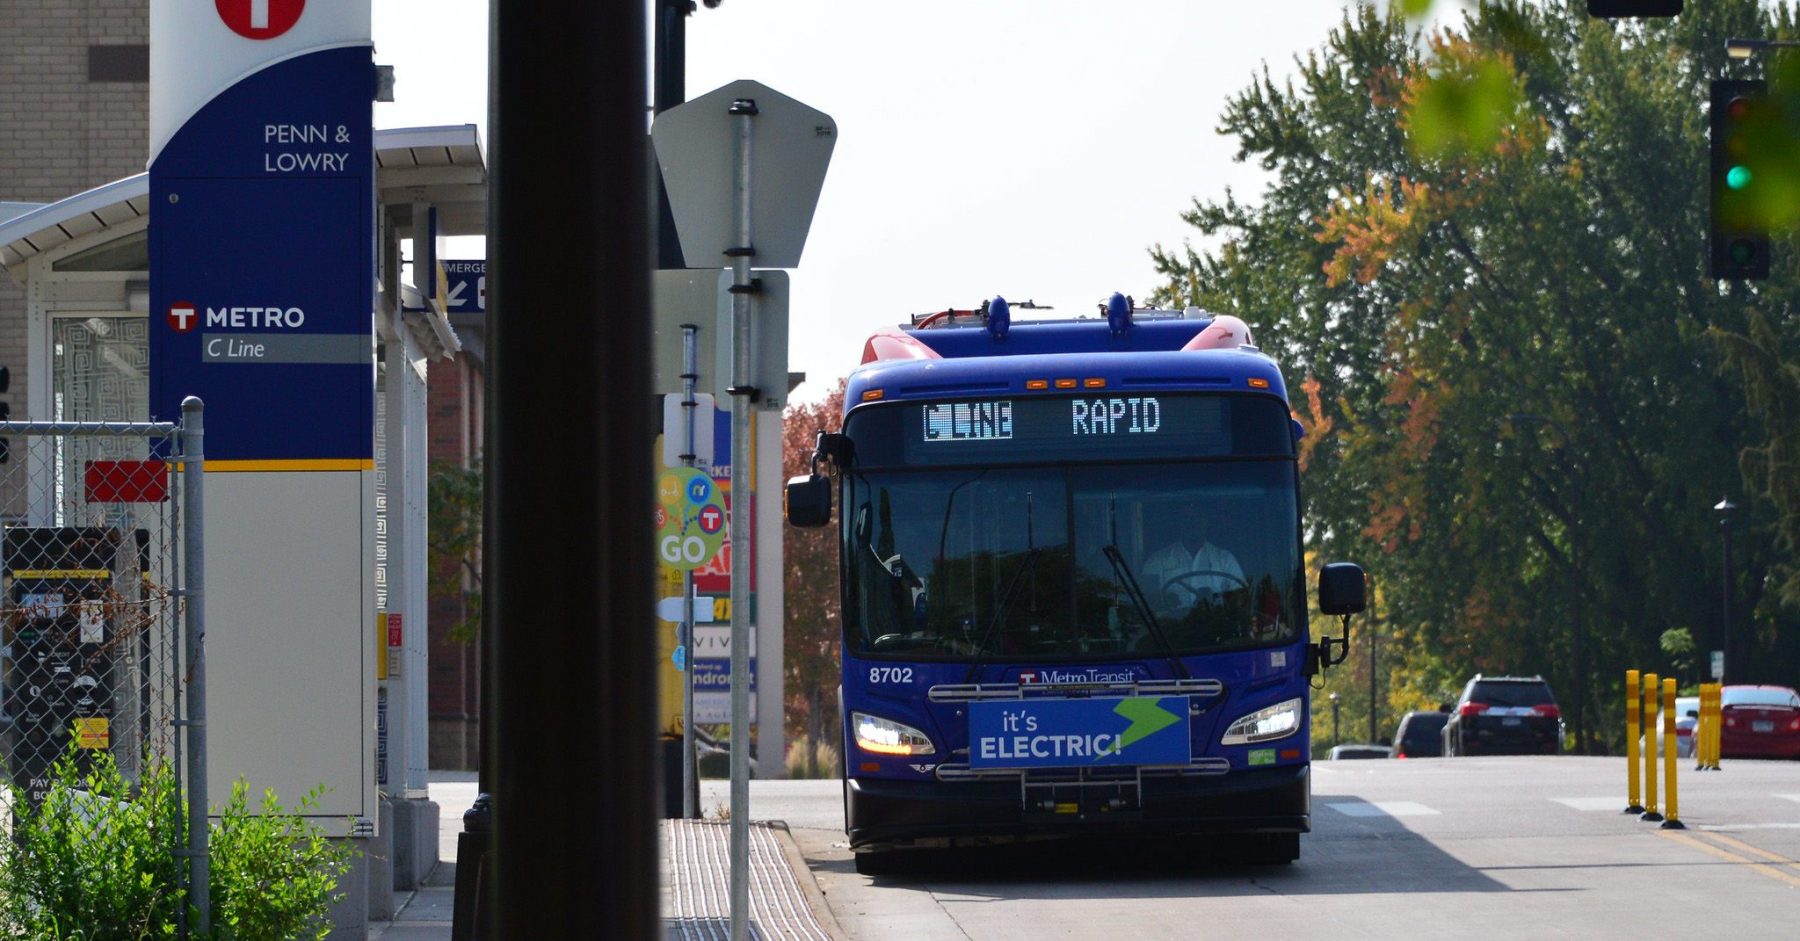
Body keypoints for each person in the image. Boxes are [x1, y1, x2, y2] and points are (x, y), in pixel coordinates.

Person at [1140, 509, 1244, 614]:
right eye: (1187, 518)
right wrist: (1166, 601)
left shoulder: (1225, 558)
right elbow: (1146, 600)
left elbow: (1241, 598)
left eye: (1198, 518)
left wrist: (1215, 598)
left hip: (1217, 625)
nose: (1193, 523)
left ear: (1206, 523)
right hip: (1169, 627)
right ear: (1179, 523)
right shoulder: (1157, 560)